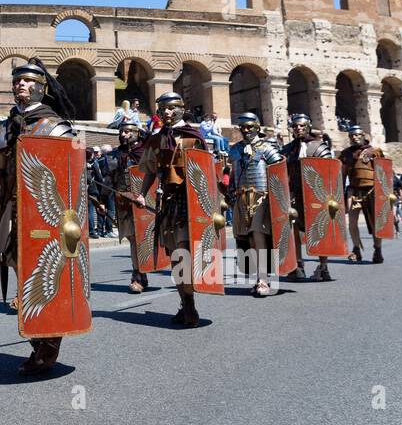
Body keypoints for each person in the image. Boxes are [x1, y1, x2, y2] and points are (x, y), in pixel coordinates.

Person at [0, 59, 78, 374]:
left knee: (45, 279)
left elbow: (70, 176)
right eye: (16, 80)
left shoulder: (55, 127)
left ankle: (47, 347)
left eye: (27, 80)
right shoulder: (8, 126)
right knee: (23, 273)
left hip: (45, 217)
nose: (20, 84)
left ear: (42, 87)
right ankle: (40, 342)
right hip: (13, 212)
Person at [138, 92, 209, 326]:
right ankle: (186, 303)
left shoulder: (193, 137)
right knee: (176, 256)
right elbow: (149, 170)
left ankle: (189, 305)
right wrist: (141, 193)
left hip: (190, 202)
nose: (167, 113)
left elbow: (205, 172)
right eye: (162, 109)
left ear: (181, 108)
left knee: (184, 253)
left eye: (171, 108)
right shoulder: (156, 139)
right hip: (168, 201)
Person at [226, 112, 283, 297]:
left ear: (257, 127)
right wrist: (229, 193)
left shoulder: (268, 148)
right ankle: (258, 275)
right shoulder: (235, 150)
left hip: (262, 199)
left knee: (258, 234)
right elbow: (233, 175)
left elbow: (278, 174)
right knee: (246, 238)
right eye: (243, 126)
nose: (246, 129)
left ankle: (263, 279)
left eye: (250, 126)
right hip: (241, 199)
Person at [280, 113, 334, 281]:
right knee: (293, 229)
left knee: (318, 230)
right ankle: (297, 265)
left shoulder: (319, 147)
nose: (298, 128)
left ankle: (323, 266)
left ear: (308, 126)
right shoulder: (288, 149)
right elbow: (282, 172)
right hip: (295, 195)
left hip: (315, 196)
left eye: (302, 125)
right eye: (295, 126)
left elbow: (328, 173)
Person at [107, 118, 148, 292]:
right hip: (124, 202)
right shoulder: (117, 154)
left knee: (143, 238)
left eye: (127, 131)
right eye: (121, 132)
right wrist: (103, 200)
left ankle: (143, 272)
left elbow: (154, 176)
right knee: (132, 239)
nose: (123, 134)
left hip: (143, 202)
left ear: (137, 133)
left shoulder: (145, 153)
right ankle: (138, 275)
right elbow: (111, 179)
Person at [339, 125, 386, 263]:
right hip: (354, 191)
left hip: (372, 191)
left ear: (363, 136)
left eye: (357, 135)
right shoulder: (346, 154)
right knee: (352, 222)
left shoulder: (375, 151)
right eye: (352, 135)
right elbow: (341, 174)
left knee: (375, 223)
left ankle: (377, 250)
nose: (354, 137)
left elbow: (384, 171)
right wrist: (340, 193)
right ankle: (356, 249)